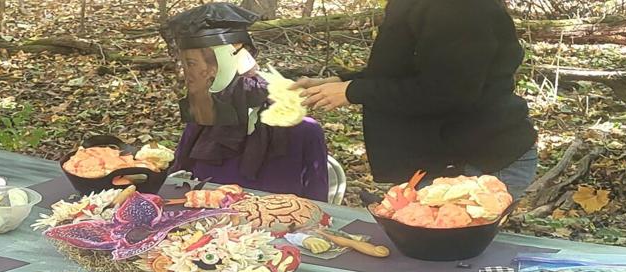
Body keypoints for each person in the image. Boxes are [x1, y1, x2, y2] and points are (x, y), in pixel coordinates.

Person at [297, 0, 538, 198]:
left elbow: (447, 91)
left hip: (479, 160)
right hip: (435, 159)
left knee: (443, 243)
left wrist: (353, 91)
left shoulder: (459, 8)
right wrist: (340, 82)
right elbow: (407, 71)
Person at [163, 3, 330, 201]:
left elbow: (318, 206)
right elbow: (175, 187)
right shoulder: (201, 125)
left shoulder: (303, 132)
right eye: (188, 65)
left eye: (193, 64)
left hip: (278, 220)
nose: (189, 75)